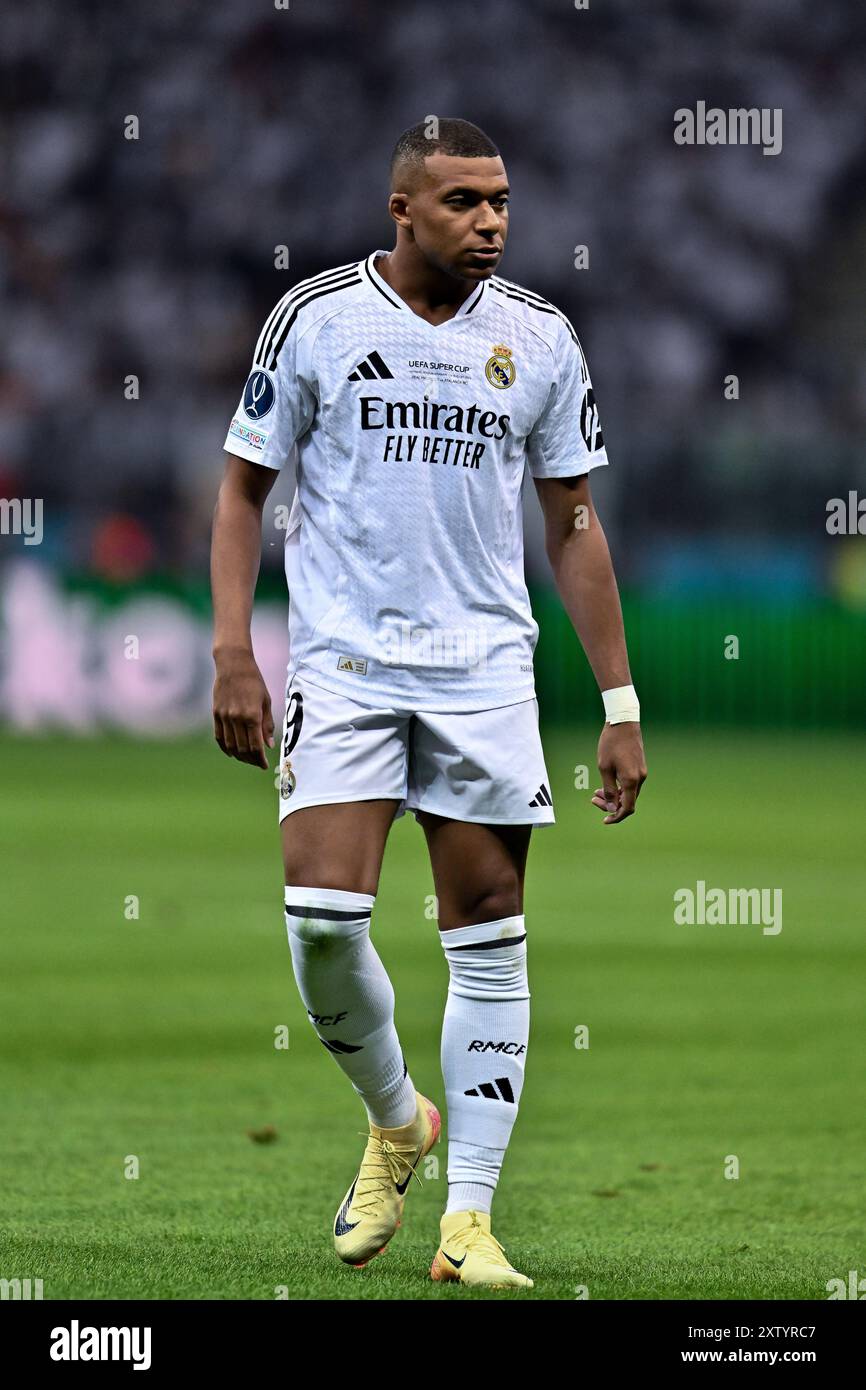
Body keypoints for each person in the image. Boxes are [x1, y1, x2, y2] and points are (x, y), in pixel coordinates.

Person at [210, 117, 646, 1290]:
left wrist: (618, 701)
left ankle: (469, 1223)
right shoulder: (316, 319)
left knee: (488, 932)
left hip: (484, 674)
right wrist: (231, 650)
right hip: (345, 665)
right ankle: (398, 1118)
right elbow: (243, 491)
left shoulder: (541, 339)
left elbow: (571, 525)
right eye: (463, 201)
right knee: (319, 920)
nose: (491, 220)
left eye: (501, 199)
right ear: (401, 209)